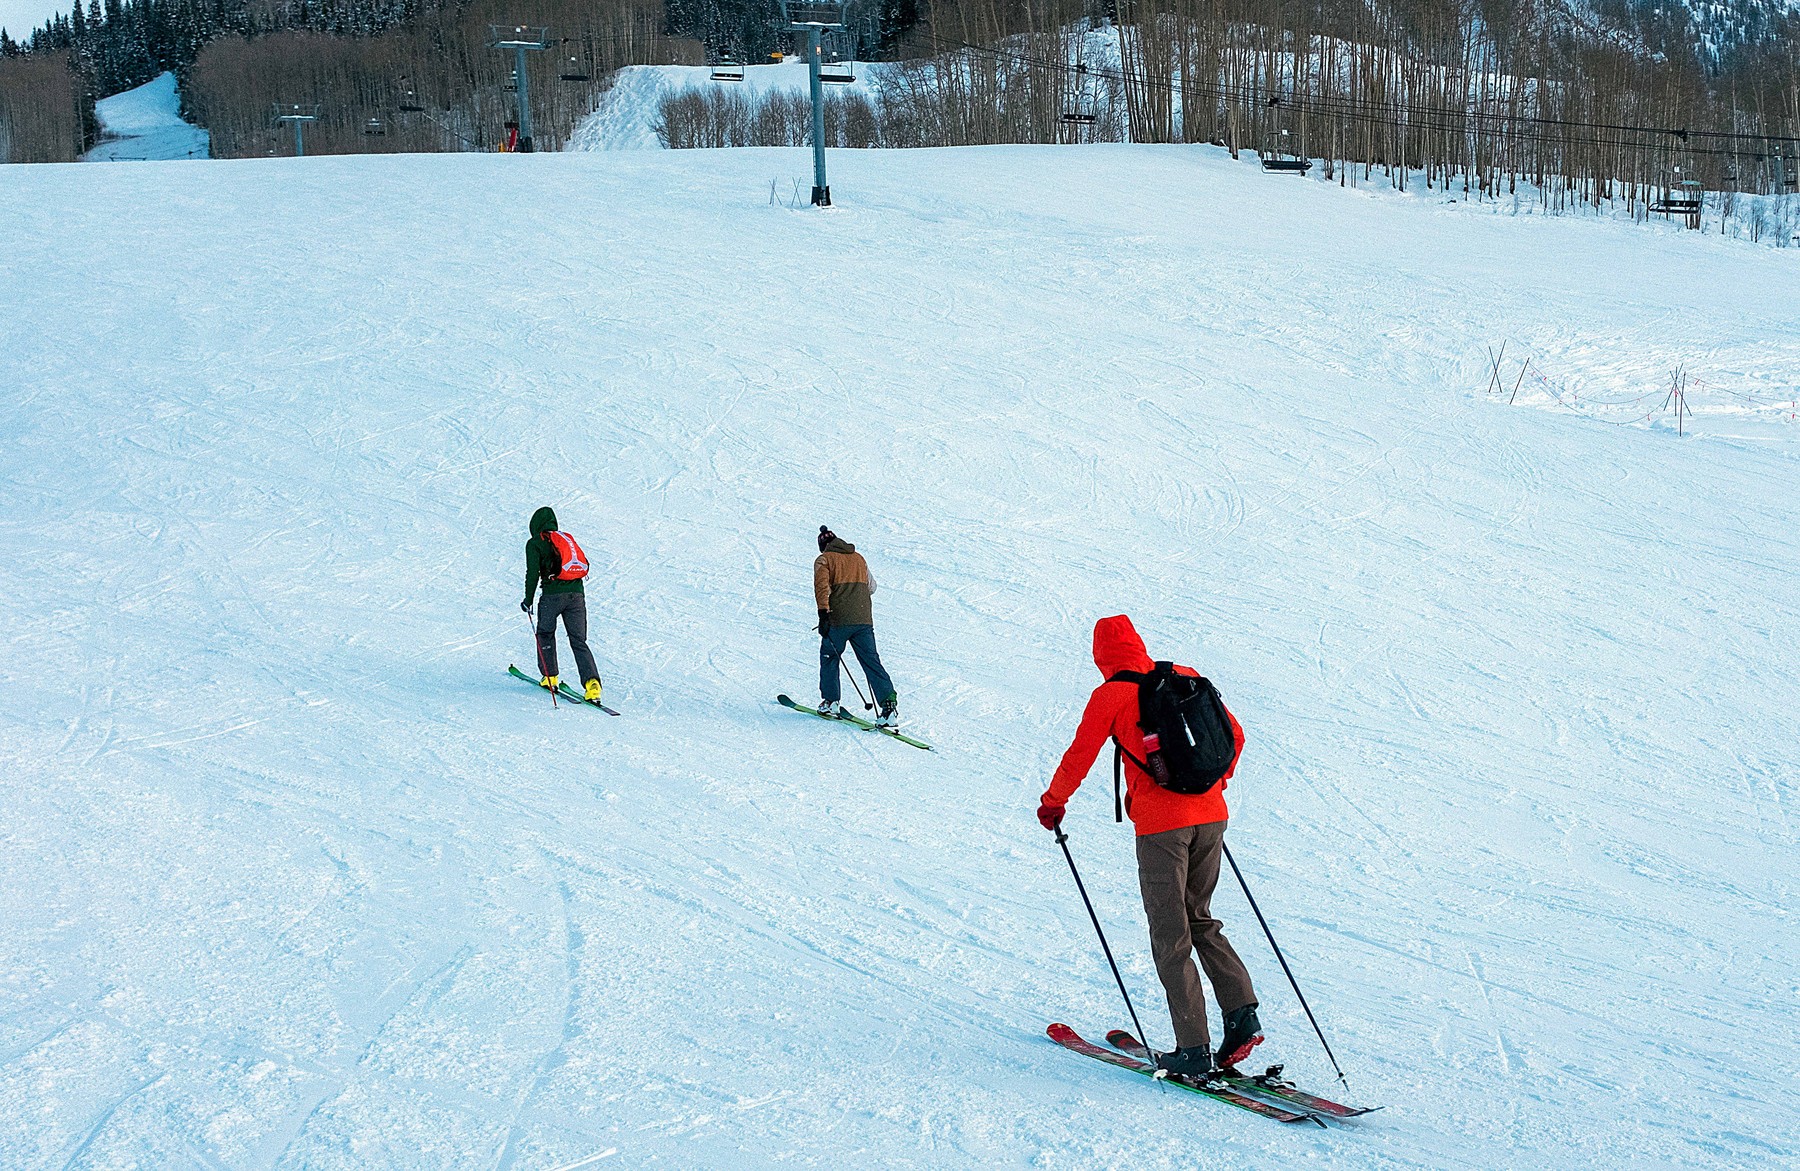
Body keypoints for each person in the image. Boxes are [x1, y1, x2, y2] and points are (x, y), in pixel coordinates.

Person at [1036, 614, 1259, 1078]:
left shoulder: (1112, 695)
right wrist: (1209, 786)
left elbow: (1080, 754)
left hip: (1161, 829)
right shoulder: (1185, 678)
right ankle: (1242, 1016)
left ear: (1102, 656)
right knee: (1202, 919)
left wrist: (1053, 803)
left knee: (1170, 932)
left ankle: (1193, 1047)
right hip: (1212, 816)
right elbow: (1234, 736)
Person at [813, 526, 899, 727]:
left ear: (822, 546)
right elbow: (872, 587)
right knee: (871, 662)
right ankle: (889, 708)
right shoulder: (858, 558)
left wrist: (823, 614)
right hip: (864, 620)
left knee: (830, 656)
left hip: (838, 620)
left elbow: (822, 588)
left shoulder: (824, 560)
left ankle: (830, 701)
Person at [520, 505, 602, 702]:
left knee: (546, 634)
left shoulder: (535, 543)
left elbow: (532, 573)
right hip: (577, 595)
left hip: (552, 596)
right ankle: (593, 685)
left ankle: (550, 677)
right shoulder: (565, 539)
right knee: (578, 640)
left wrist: (528, 600)